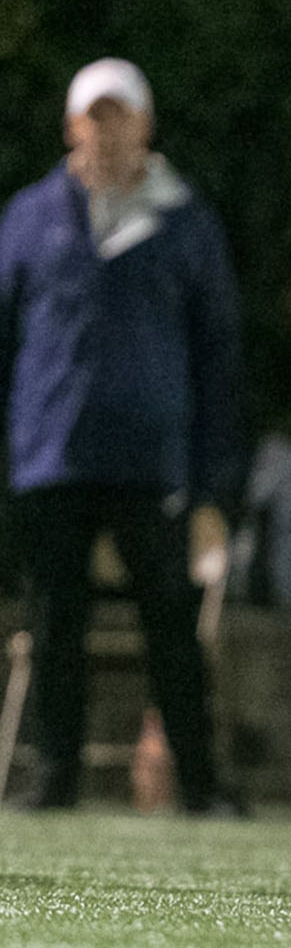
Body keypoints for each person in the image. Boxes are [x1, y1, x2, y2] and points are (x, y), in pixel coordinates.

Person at [0, 58, 244, 814]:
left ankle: (198, 786)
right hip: (50, 460)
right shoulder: (31, 216)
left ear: (146, 125)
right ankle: (54, 780)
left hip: (153, 462)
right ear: (73, 126)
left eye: (120, 116)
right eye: (92, 117)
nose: (105, 133)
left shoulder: (187, 224)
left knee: (171, 627)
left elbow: (219, 359)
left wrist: (212, 490)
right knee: (55, 624)